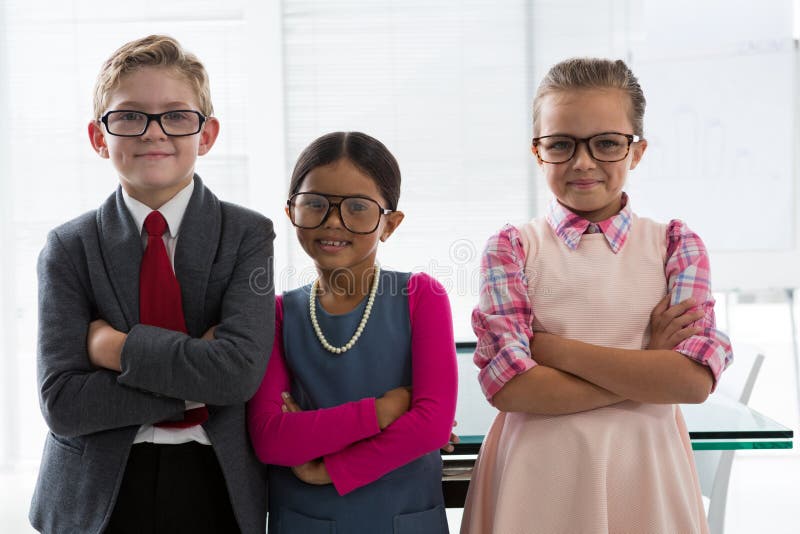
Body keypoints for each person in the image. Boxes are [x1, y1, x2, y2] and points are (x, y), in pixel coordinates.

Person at [461, 58, 733, 534]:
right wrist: (648, 366)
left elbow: (691, 382)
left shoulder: (676, 245)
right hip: (537, 474)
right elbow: (511, 388)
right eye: (561, 144)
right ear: (538, 152)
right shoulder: (511, 248)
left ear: (637, 151)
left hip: (644, 471)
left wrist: (550, 349)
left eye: (606, 143)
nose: (583, 162)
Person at [29, 35, 275, 534]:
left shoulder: (247, 234)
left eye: (177, 116)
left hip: (216, 486)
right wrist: (196, 389)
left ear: (207, 135)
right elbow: (64, 403)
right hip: (97, 492)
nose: (154, 132)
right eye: (129, 116)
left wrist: (116, 350)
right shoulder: (69, 247)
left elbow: (237, 376)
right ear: (100, 137)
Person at [247, 131, 458, 533]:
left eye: (357, 207)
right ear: (291, 211)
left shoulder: (421, 296)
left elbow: (431, 425)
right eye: (315, 203)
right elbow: (271, 438)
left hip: (403, 517)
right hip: (304, 521)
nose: (332, 221)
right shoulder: (277, 313)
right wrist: (385, 411)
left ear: (389, 224)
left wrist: (327, 468)